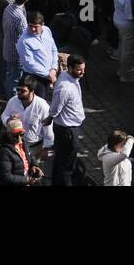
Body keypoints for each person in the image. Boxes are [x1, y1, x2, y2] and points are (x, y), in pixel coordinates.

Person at [48, 54, 86, 186]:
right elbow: (55, 107)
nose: (82, 72)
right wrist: (50, 118)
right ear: (70, 68)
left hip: (67, 129)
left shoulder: (66, 75)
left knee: (60, 160)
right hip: (67, 131)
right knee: (67, 167)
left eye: (83, 69)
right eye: (79, 70)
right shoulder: (65, 87)